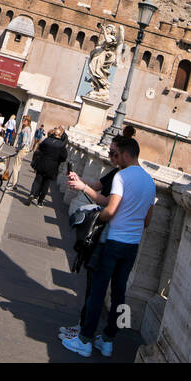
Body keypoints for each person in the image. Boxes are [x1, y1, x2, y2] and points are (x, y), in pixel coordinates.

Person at [61, 135, 157, 358]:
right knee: (119, 294)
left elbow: (110, 210)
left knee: (97, 291)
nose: (115, 158)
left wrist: (97, 216)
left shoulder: (122, 176)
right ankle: (108, 340)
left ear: (125, 154)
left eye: (117, 154)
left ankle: (84, 340)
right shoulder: (150, 182)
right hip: (132, 246)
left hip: (113, 241)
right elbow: (147, 222)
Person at [27, 126, 69, 206]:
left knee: (37, 180)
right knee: (46, 184)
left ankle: (32, 193)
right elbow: (64, 157)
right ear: (60, 135)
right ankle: (40, 201)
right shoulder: (61, 145)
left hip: (42, 163)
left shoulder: (47, 140)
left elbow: (40, 149)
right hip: (52, 166)